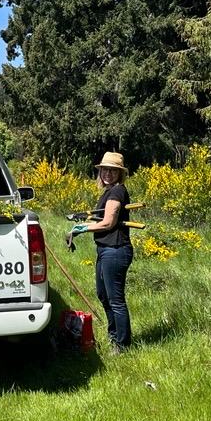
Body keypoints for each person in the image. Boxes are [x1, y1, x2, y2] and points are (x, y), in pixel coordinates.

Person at [70, 151, 134, 354]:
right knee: (103, 295)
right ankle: (114, 335)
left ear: (119, 173)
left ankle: (122, 345)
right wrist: (81, 225)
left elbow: (108, 223)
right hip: (105, 250)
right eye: (105, 169)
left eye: (112, 170)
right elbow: (100, 220)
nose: (107, 173)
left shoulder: (117, 192)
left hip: (116, 250)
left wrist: (80, 229)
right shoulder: (108, 192)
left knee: (115, 299)